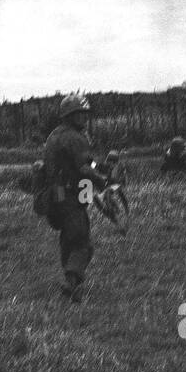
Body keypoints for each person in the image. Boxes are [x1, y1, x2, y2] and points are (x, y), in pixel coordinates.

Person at [42, 93, 108, 302]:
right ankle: (71, 282)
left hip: (55, 195)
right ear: (69, 116)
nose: (83, 118)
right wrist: (102, 180)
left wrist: (97, 167)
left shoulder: (54, 135)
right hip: (70, 195)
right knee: (82, 243)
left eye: (84, 113)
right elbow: (83, 167)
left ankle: (70, 280)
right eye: (78, 114)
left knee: (68, 238)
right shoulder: (75, 137)